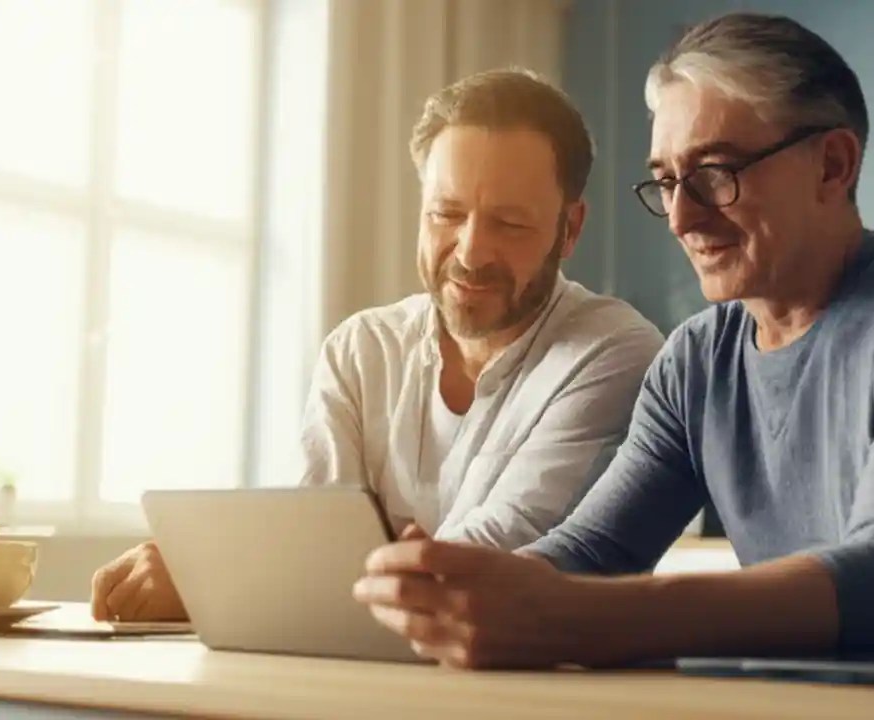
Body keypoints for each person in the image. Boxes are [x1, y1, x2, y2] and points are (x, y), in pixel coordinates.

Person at [353, 12, 874, 668]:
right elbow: (591, 554)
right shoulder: (696, 362)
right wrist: (453, 586)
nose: (682, 218)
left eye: (715, 173)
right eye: (666, 181)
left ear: (833, 164)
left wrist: (562, 614)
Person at [90, 69, 664, 622]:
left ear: (571, 228)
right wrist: (221, 574)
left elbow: (489, 562)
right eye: (446, 214)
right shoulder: (361, 349)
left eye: (510, 224)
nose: (469, 252)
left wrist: (214, 581)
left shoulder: (613, 351)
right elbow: (313, 541)